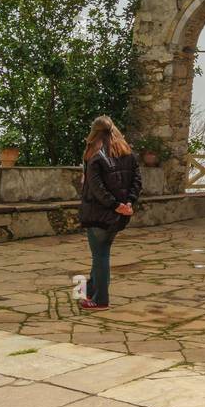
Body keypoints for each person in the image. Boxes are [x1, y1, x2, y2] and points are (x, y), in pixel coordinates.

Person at [77, 115, 142, 311]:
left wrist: (115, 205)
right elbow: (137, 181)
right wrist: (128, 203)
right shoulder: (127, 154)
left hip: (99, 213)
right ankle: (88, 291)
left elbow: (96, 188)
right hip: (120, 214)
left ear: (94, 132)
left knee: (100, 256)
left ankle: (100, 300)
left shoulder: (95, 156)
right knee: (101, 253)